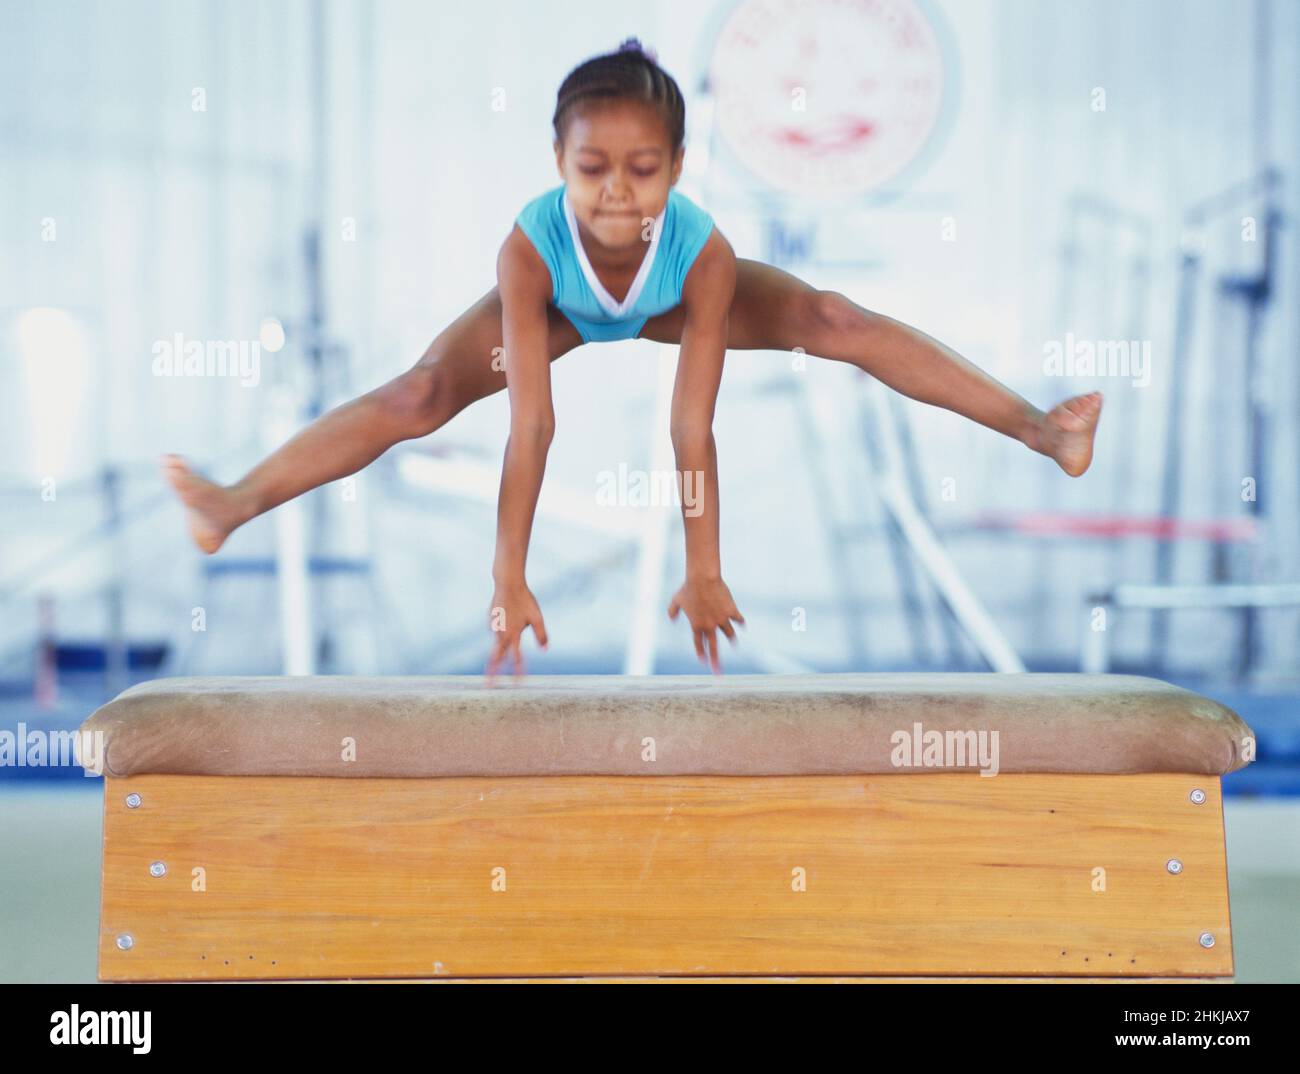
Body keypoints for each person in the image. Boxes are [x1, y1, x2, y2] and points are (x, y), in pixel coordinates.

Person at [161, 37, 1102, 681]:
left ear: (679, 165)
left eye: (643, 170)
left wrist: (703, 567)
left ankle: (1037, 428)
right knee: (419, 392)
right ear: (557, 160)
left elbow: (690, 427)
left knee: (832, 316)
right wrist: (507, 574)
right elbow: (531, 424)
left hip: (670, 302)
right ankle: (234, 503)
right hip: (565, 309)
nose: (616, 194)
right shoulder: (530, 250)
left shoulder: (705, 252)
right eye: (590, 169)